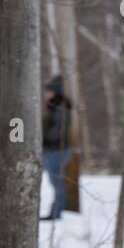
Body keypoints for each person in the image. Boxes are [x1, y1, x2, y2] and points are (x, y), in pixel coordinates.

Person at [41, 75, 73, 221]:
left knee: (57, 183)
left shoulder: (60, 107)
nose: (44, 94)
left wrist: (44, 140)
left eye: (47, 91)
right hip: (53, 150)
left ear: (54, 92)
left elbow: (57, 131)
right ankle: (56, 212)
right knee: (56, 182)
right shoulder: (56, 106)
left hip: (56, 150)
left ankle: (56, 213)